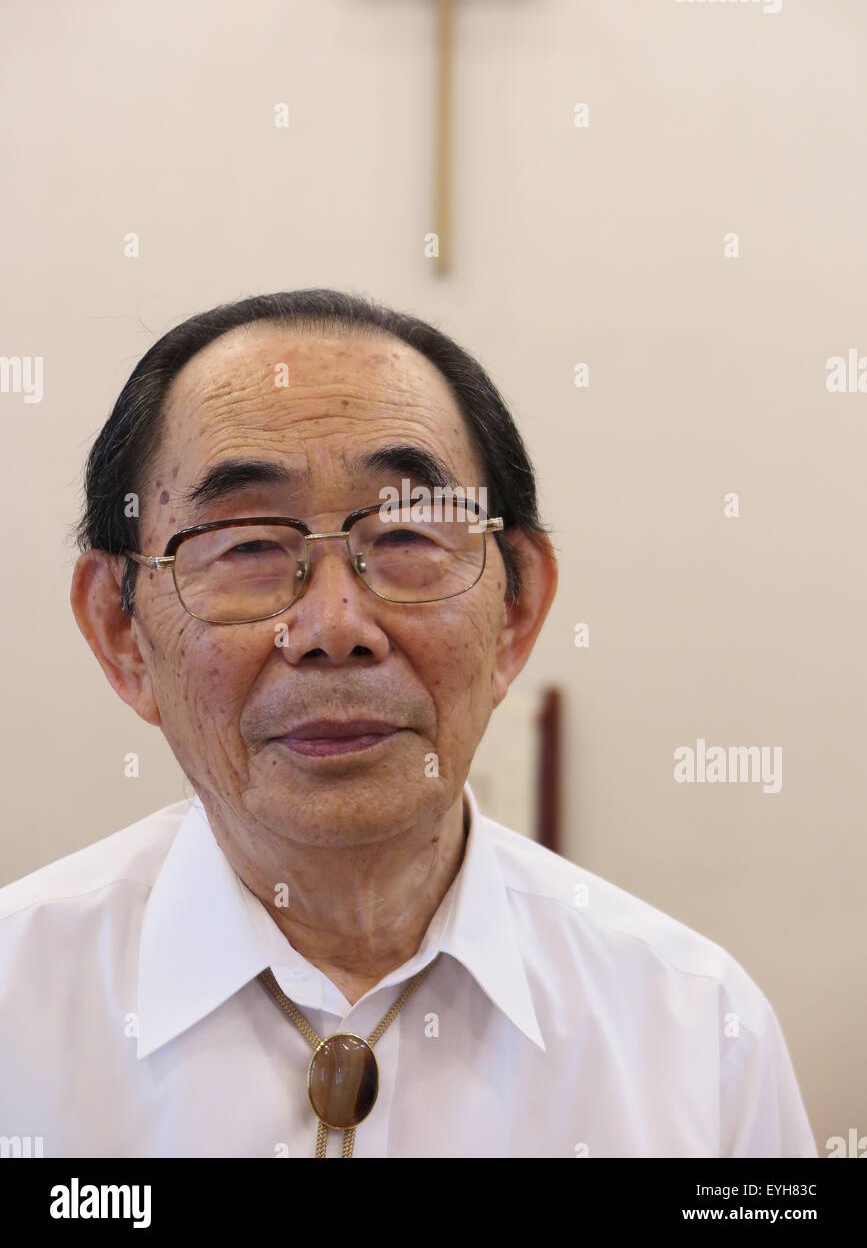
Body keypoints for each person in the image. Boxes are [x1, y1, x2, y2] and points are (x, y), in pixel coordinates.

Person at [0, 290, 816, 1157]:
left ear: (518, 608)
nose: (335, 627)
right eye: (245, 545)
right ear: (122, 633)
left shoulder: (695, 1032)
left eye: (407, 535)